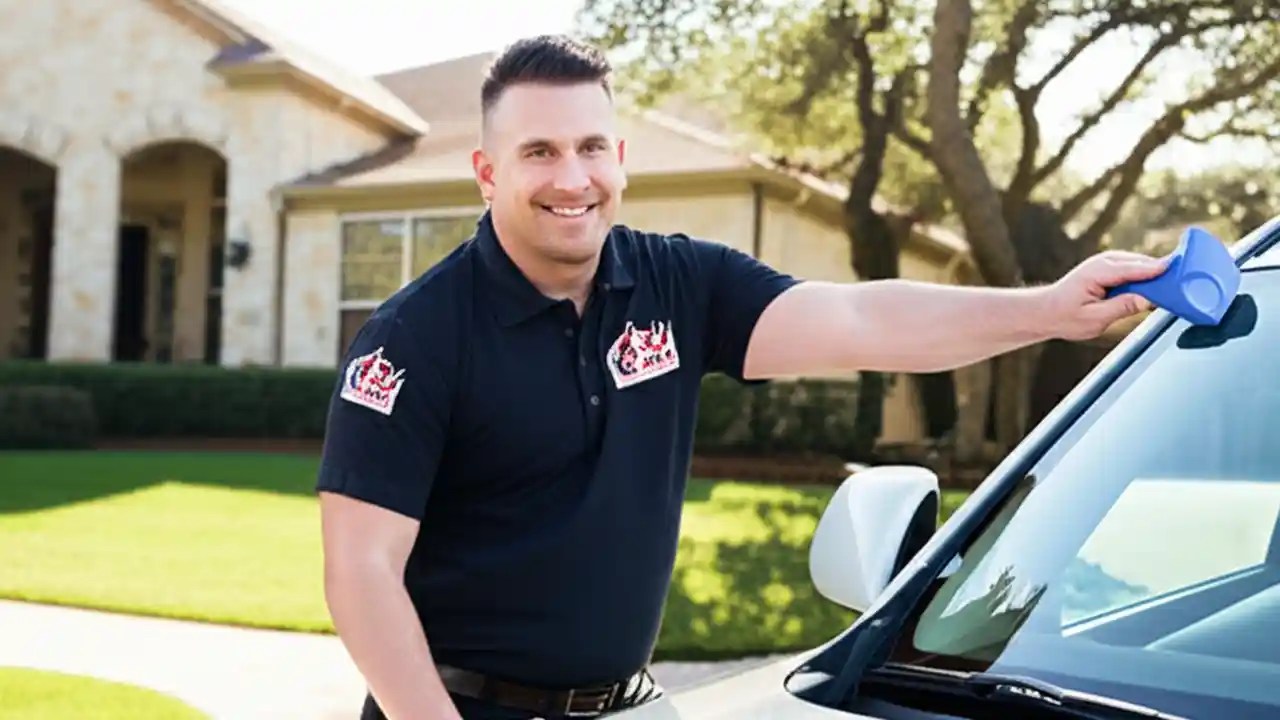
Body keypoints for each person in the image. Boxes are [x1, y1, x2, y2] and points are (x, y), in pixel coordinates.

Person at [315, 34, 1165, 720]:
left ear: (620, 157)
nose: (572, 179)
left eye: (589, 148)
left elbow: (861, 320)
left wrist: (1049, 310)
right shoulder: (413, 340)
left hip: (632, 704)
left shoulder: (678, 286)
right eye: (538, 152)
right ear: (489, 171)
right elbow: (361, 573)